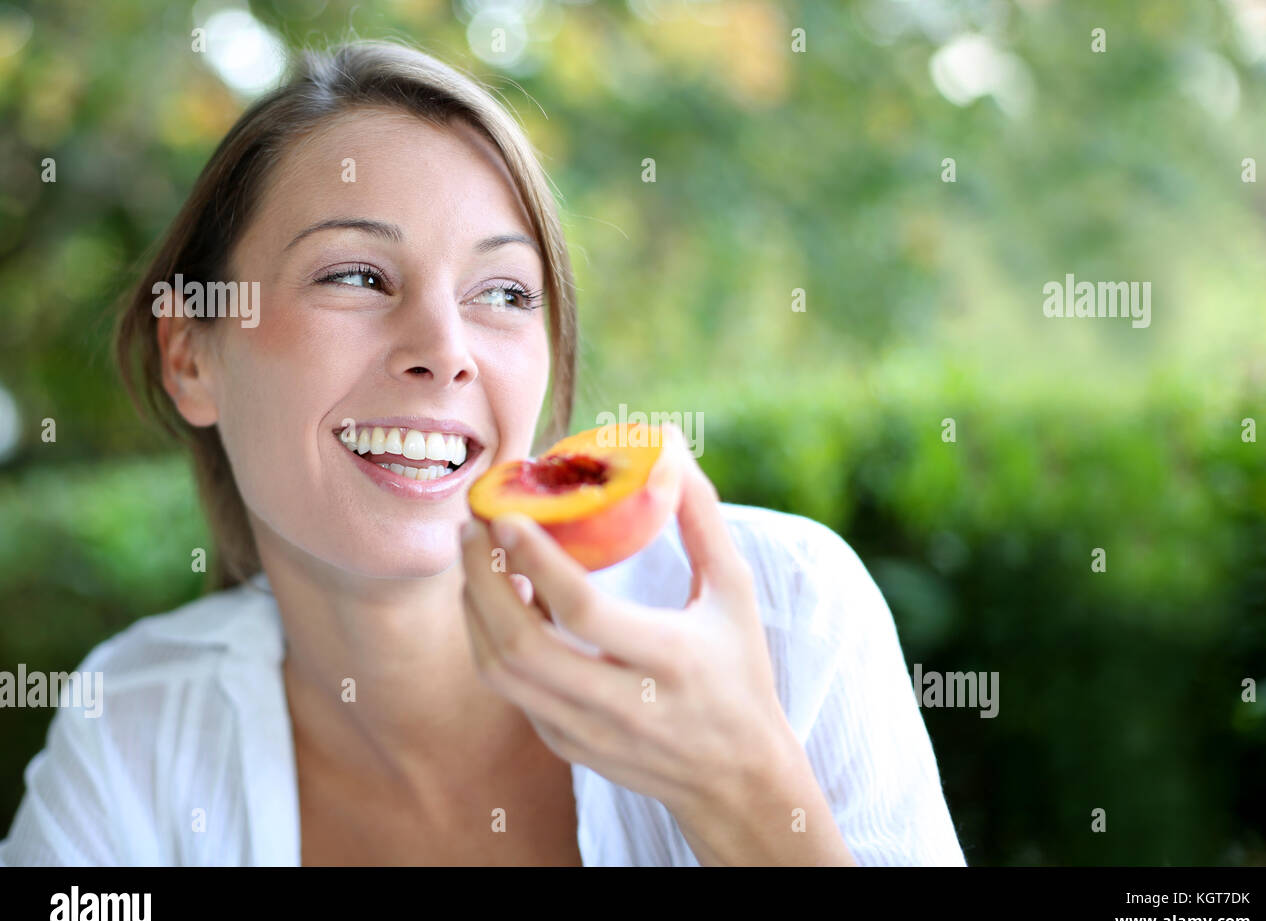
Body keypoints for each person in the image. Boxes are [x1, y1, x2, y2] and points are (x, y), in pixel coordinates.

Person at [0, 40, 965, 866]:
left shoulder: (793, 617)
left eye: (503, 293)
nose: (446, 351)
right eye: (355, 275)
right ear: (191, 352)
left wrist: (748, 799)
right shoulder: (130, 729)